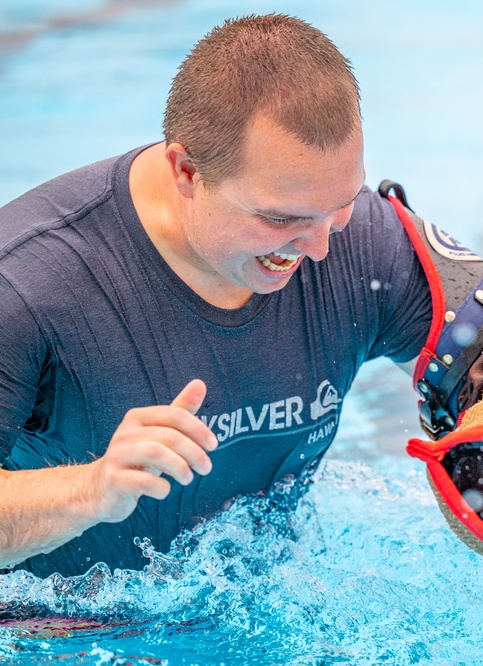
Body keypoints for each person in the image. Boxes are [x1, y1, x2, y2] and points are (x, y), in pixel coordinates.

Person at [0, 14, 436, 577]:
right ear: (185, 170)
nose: (322, 248)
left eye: (342, 201)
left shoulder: (360, 239)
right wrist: (90, 488)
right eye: (281, 217)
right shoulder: (28, 286)